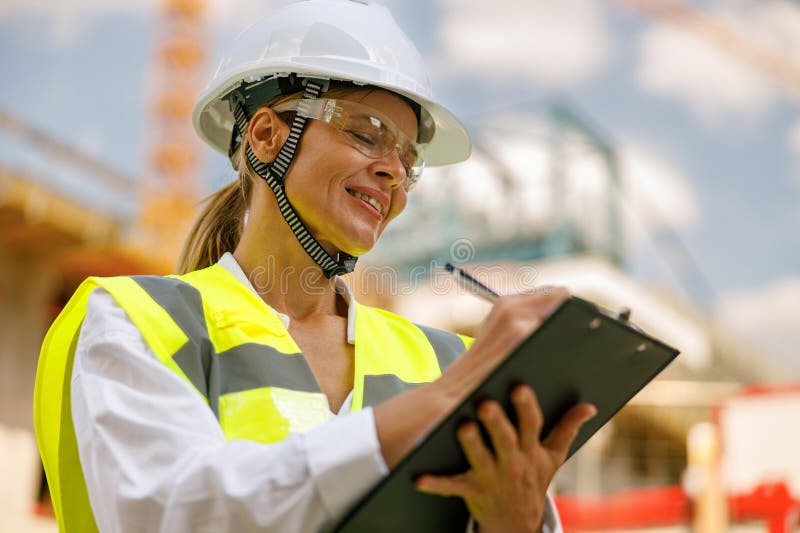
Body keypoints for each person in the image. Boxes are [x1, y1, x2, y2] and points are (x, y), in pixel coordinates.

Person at [34, 1, 597, 532]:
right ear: (265, 136)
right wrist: (438, 407)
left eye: (408, 158)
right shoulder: (133, 323)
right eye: (367, 133)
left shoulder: (449, 360)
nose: (394, 174)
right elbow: (173, 509)